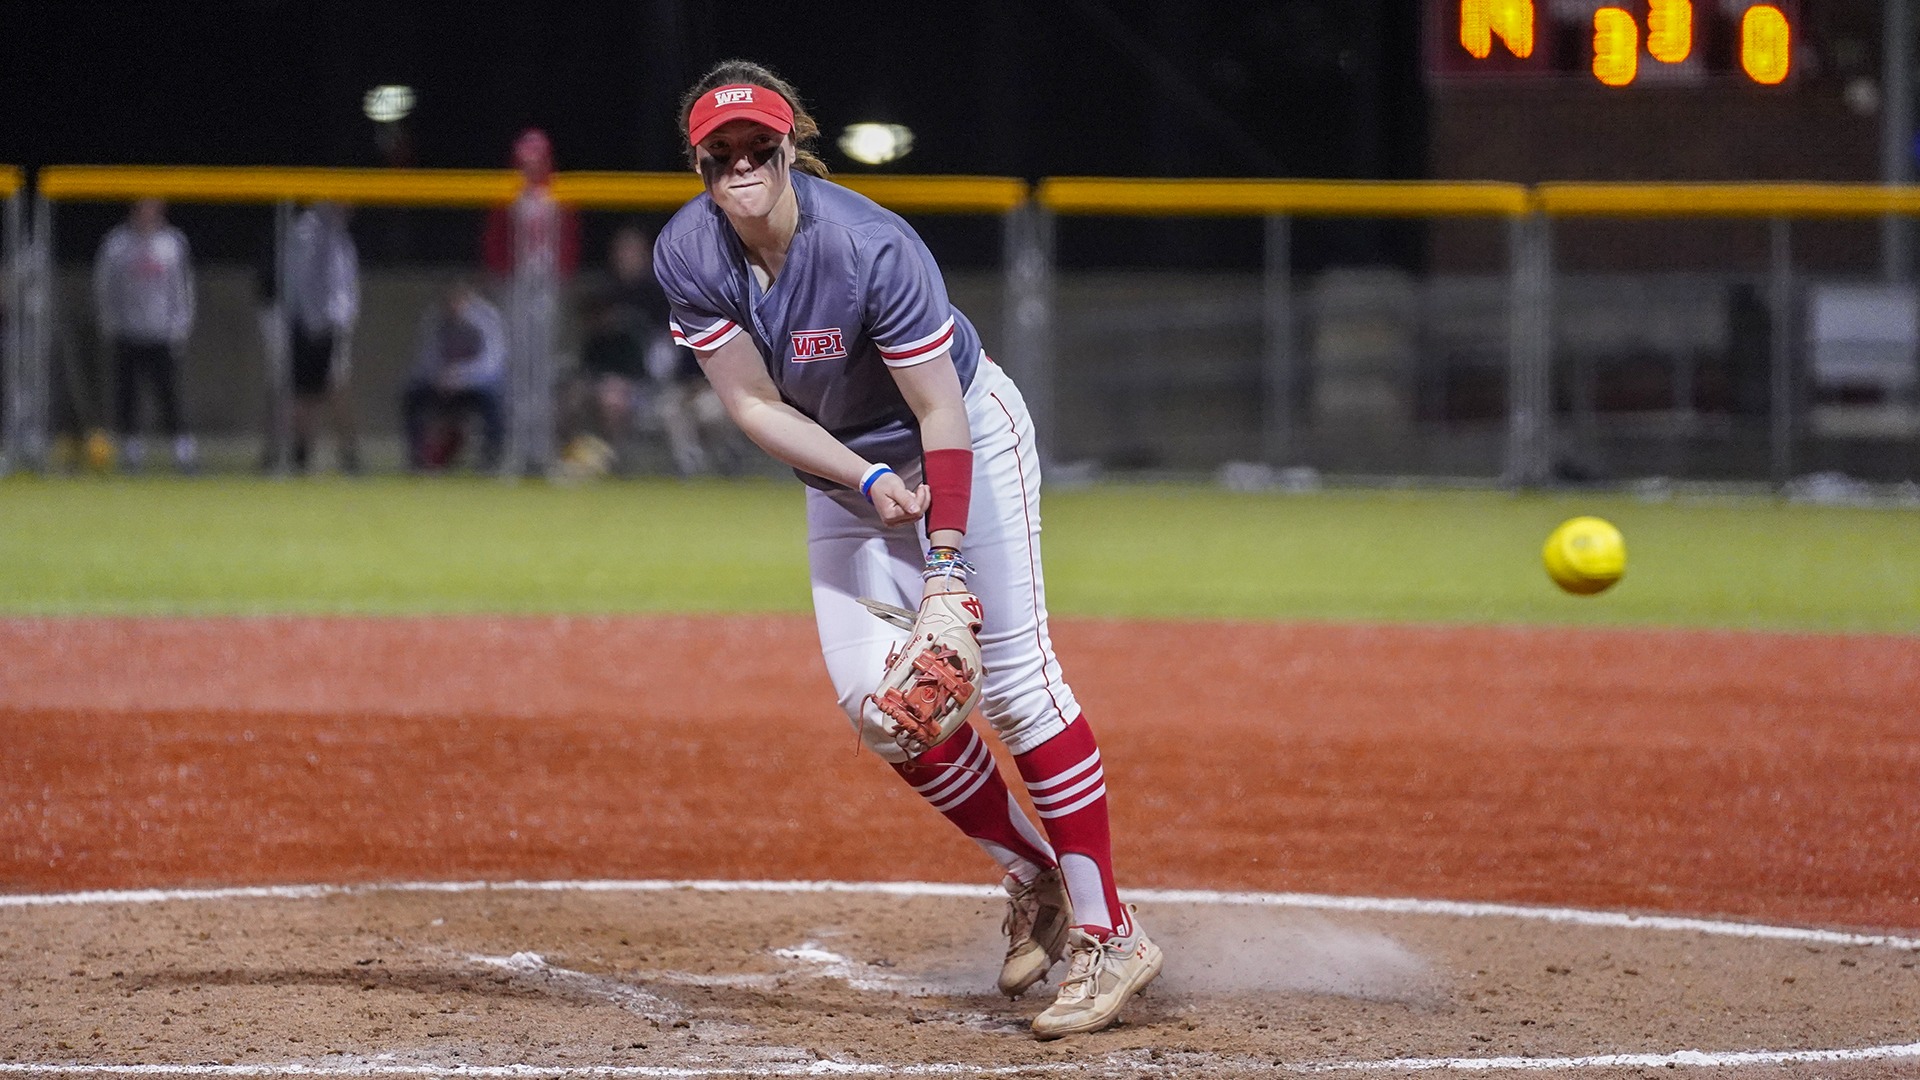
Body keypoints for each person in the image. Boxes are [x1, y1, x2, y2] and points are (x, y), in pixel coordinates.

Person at [653, 60, 1162, 1039]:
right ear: (700, 164)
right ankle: (1036, 878)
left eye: (760, 143)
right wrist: (865, 482)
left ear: (792, 141)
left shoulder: (871, 248)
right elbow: (754, 404)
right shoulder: (690, 253)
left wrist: (944, 566)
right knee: (884, 709)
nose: (742, 163)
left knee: (1014, 684)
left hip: (964, 436)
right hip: (852, 473)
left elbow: (940, 414)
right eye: (721, 153)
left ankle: (1111, 931)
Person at [92, 198, 197, 472]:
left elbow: (182, 288)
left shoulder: (172, 243)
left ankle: (183, 454)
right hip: (128, 331)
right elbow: (104, 286)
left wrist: (180, 327)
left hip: (162, 332)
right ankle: (131, 454)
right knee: (127, 396)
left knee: (170, 396)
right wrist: (110, 323)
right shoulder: (117, 244)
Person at [565, 222, 668, 471]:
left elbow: (665, 348)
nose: (625, 256)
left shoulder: (657, 293)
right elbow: (589, 345)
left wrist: (642, 379)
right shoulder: (605, 289)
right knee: (570, 397)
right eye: (621, 251)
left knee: (612, 400)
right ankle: (577, 457)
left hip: (641, 379)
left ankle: (617, 461)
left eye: (631, 251)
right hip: (600, 374)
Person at [283, 202, 362, 473]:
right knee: (310, 391)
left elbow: (346, 283)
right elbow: (305, 281)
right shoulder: (309, 231)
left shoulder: (340, 233)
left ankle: (345, 454)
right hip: (313, 325)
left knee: (334, 386)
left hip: (333, 324)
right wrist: (313, 322)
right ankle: (303, 454)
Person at [403, 280, 506, 471]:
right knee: (413, 395)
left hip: (477, 384)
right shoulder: (434, 319)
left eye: (457, 301)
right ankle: (418, 459)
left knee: (493, 400)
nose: (452, 307)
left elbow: (491, 362)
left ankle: (491, 459)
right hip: (441, 382)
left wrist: (460, 376)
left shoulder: (486, 318)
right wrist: (440, 377)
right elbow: (426, 357)